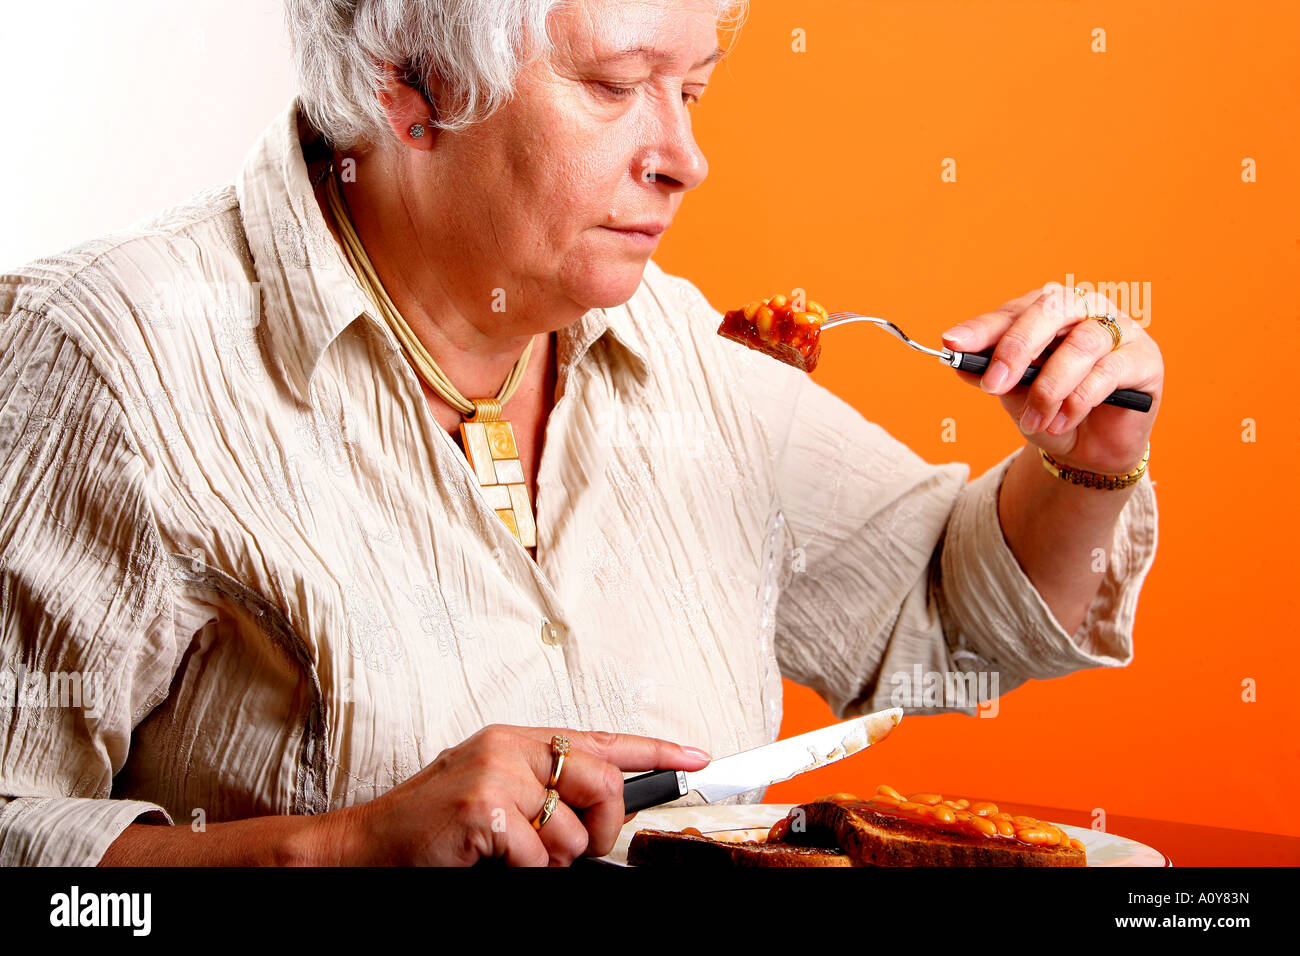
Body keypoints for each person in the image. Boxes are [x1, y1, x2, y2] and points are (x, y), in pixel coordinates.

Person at [0, 0, 1161, 866]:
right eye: (614, 86)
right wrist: (341, 848)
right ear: (407, 87)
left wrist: (1086, 459)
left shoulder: (680, 345)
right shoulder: (106, 352)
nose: (685, 159)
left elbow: (958, 609)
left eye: (693, 88)